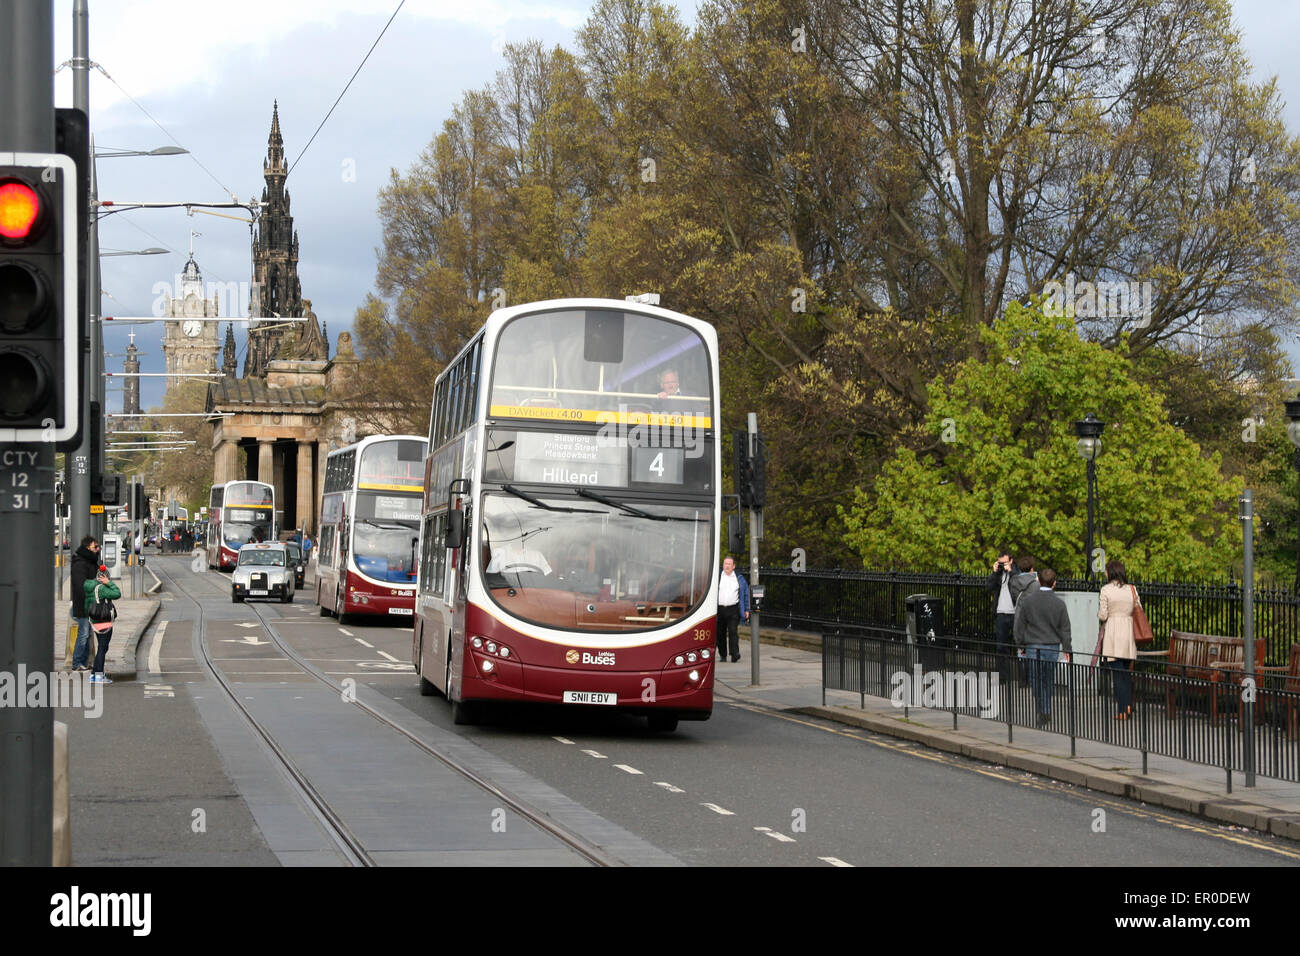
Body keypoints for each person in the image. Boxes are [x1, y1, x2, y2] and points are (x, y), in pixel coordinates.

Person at [1013, 566, 1071, 727]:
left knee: (1036, 680)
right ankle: (1046, 709)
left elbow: (1020, 625)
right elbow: (1065, 628)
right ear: (1054, 584)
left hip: (1033, 645)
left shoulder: (1028, 601)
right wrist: (1067, 649)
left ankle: (1041, 710)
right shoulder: (1059, 604)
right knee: (1047, 679)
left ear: (1038, 581)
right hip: (1052, 646)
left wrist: (1021, 645)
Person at [1099, 559, 1139, 719]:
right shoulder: (1132, 589)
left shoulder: (1106, 590)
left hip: (1114, 632)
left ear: (1110, 572)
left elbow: (1103, 615)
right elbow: (1138, 609)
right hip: (1129, 632)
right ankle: (1128, 705)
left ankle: (1123, 709)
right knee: (1126, 674)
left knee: (1117, 674)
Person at [84, 566, 122, 684]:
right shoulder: (101, 588)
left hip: (94, 621)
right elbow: (117, 593)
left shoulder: (89, 586)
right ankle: (99, 675)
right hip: (104, 620)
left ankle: (94, 674)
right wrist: (109, 583)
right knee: (102, 648)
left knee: (102, 647)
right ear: (104, 576)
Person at [69, 536, 100, 672]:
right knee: (84, 633)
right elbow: (80, 585)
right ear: (88, 547)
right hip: (82, 605)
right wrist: (89, 600)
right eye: (95, 547)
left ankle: (84, 662)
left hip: (89, 603)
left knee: (87, 634)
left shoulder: (91, 562)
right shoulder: (80, 563)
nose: (98, 549)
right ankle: (77, 663)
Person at [985, 550, 1017, 677]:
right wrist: (994, 572)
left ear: (1011, 561)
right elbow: (988, 587)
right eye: (1001, 563)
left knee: (1021, 647)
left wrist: (1011, 572)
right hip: (1001, 614)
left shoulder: (1017, 573)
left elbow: (1021, 585)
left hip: (1015, 614)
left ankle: (1023, 679)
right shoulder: (998, 574)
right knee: (1000, 647)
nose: (1003, 565)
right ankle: (1003, 676)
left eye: (1005, 563)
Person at [717, 555, 750, 663]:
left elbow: (745, 594)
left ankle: (735, 654)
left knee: (733, 632)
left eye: (729, 564)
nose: (727, 566)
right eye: (725, 564)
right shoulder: (717, 577)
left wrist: (746, 610)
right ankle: (723, 655)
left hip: (733, 609)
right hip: (719, 609)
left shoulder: (739, 578)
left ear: (733, 566)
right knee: (720, 633)